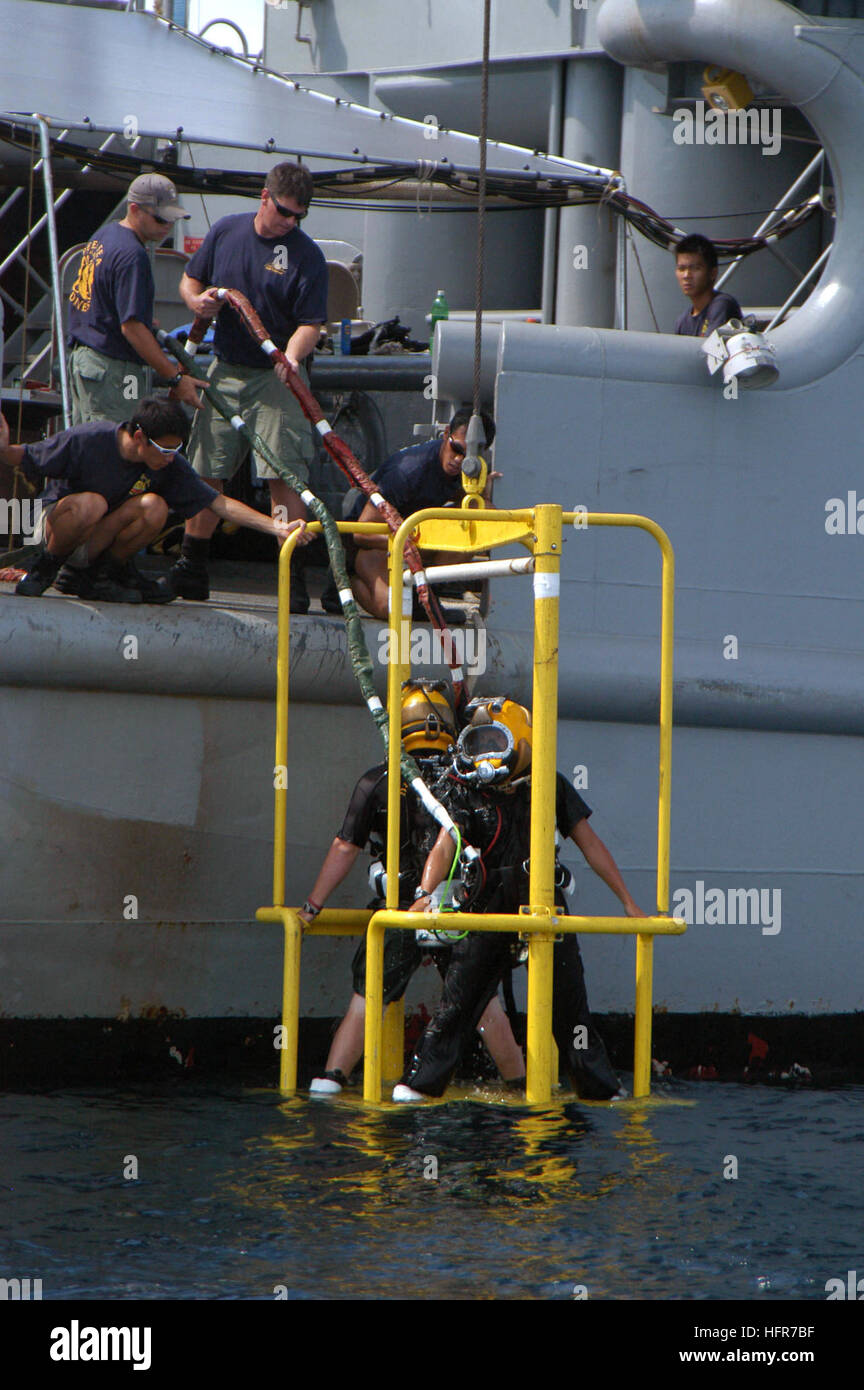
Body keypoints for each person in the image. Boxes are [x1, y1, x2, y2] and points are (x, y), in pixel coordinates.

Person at [392, 696, 645, 1103]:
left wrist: (629, 903)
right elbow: (445, 843)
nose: (484, 755)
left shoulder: (550, 785)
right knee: (457, 1005)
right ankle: (418, 1086)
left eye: (495, 740)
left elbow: (591, 845)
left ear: (522, 742)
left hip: (544, 904)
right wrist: (423, 895)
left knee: (570, 1010)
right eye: (476, 743)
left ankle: (598, 1089)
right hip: (485, 907)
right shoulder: (465, 788)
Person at [297, 680, 525, 1094]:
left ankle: (330, 1082)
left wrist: (313, 905)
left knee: (368, 998)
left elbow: (344, 847)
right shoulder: (467, 781)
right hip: (457, 908)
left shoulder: (377, 782)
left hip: (398, 908)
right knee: (479, 1004)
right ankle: (521, 1084)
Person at [170, 162, 327, 611]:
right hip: (225, 367)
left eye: (299, 216)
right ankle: (192, 564)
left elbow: (311, 322)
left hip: (277, 376)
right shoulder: (226, 232)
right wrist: (193, 299)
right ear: (264, 197)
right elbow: (190, 279)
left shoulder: (307, 257)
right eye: (284, 212)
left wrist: (292, 357)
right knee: (206, 467)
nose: (290, 222)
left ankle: (290, 576)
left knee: (282, 474)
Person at [0, 398, 306, 603]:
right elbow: (24, 456)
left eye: (176, 450)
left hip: (96, 540)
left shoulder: (169, 464)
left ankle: (102, 575)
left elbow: (217, 503)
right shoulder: (88, 439)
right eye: (165, 449)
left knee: (154, 506)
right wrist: (3, 445)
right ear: (139, 438)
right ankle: (46, 568)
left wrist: (276, 527)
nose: (171, 458)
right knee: (92, 503)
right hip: (57, 527)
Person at [67, 173, 205, 422]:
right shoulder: (132, 255)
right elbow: (131, 329)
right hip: (111, 369)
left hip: (86, 363)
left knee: (88, 446)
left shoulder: (104, 236)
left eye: (173, 219)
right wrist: (175, 378)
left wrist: (139, 320)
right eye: (162, 218)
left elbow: (96, 299)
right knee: (118, 448)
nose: (168, 226)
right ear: (135, 209)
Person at [343, 408, 497, 621]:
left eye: (468, 456)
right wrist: (408, 543)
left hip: (411, 540)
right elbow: (360, 534)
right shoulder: (407, 472)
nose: (459, 460)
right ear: (445, 435)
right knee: (394, 609)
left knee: (479, 517)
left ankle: (428, 595)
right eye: (455, 449)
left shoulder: (465, 470)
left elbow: (472, 506)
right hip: (373, 547)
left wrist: (483, 490)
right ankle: (344, 583)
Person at [673, 233, 742, 337]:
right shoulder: (682, 323)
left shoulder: (722, 304)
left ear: (712, 273)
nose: (686, 275)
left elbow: (709, 349)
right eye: (681, 269)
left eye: (695, 268)